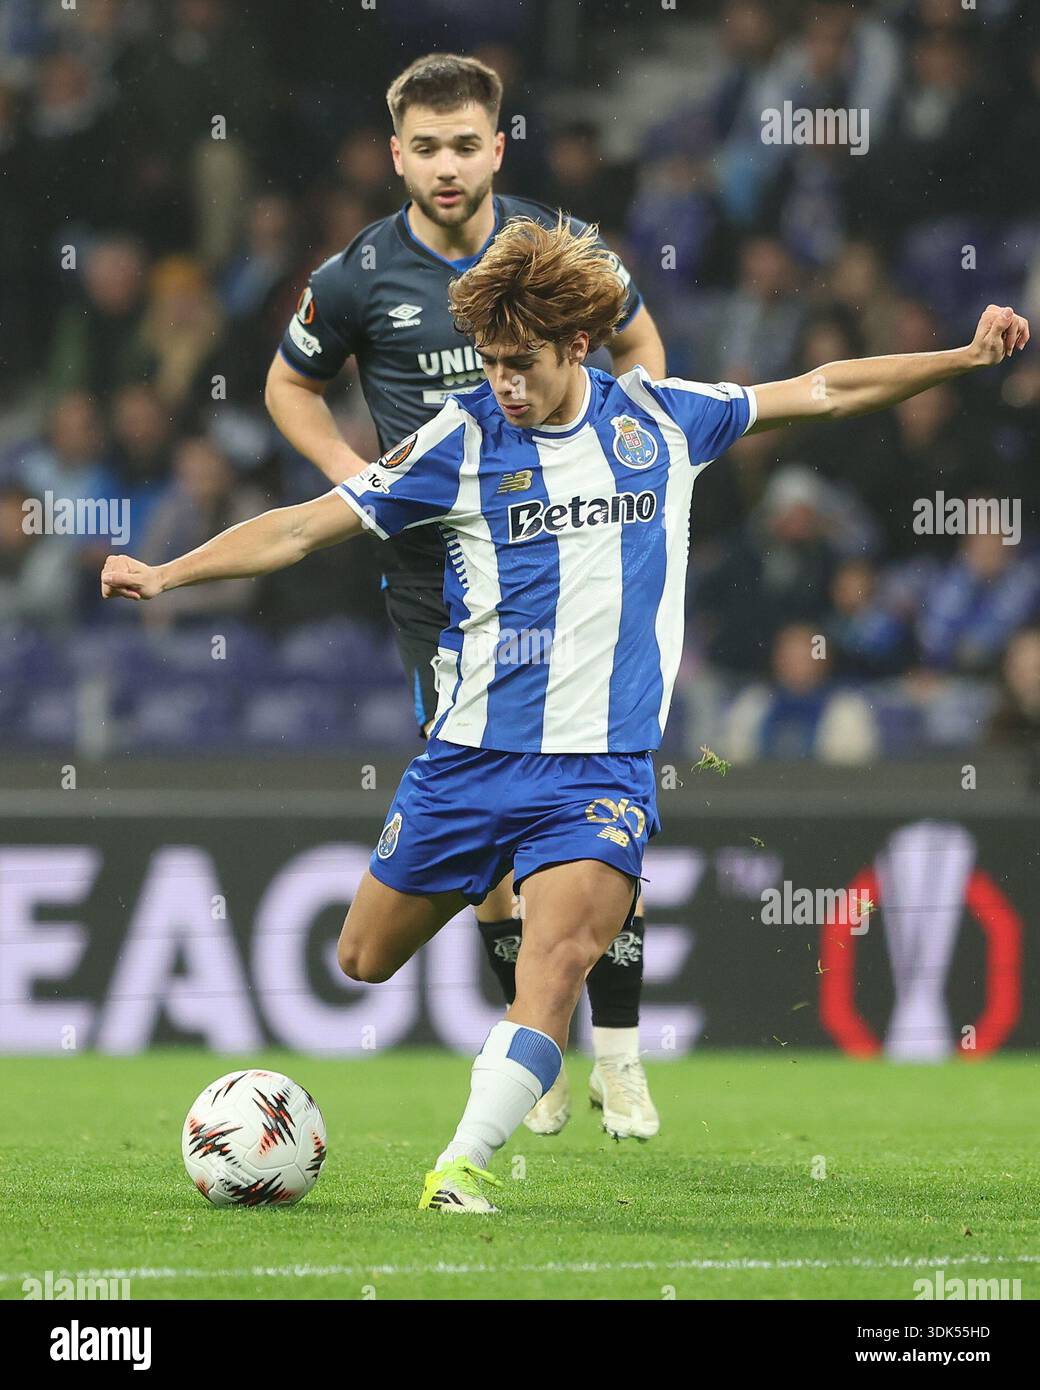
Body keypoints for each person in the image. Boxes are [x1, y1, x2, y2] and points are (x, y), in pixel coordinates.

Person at [101, 218, 1028, 1212]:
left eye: (522, 363)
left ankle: (460, 1164)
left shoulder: (660, 421)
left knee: (555, 966)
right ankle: (528, 1015)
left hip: (599, 770)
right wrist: (170, 572)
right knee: (361, 958)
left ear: (577, 345)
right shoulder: (458, 439)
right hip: (465, 760)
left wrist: (962, 358)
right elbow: (300, 528)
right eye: (491, 362)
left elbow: (826, 389)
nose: (504, 382)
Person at [264, 52, 667, 1140]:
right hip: (433, 586)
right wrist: (356, 476)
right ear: (397, 154)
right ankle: (529, 1046)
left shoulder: (554, 250)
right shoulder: (355, 276)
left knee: (589, 788)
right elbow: (286, 383)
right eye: (425, 148)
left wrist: (622, 470)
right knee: (492, 827)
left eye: (465, 145)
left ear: (499, 146)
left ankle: (617, 1056)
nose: (446, 167)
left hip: (564, 553)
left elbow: (637, 346)